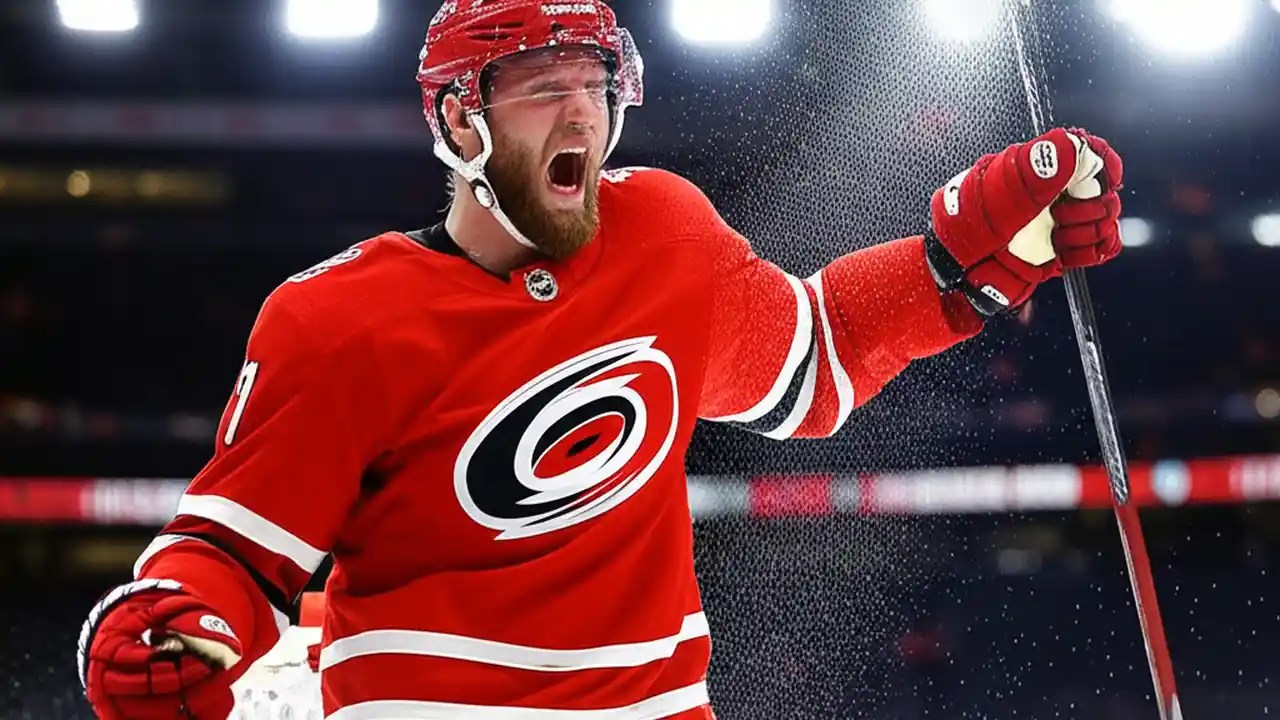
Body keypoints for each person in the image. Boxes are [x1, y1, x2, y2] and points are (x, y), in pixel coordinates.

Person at [76, 1, 1124, 718]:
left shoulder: (662, 234)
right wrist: (165, 623)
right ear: (456, 120)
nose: (581, 110)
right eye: (539, 84)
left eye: (595, 80)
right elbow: (234, 550)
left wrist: (961, 265)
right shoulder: (336, 318)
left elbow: (815, 361)